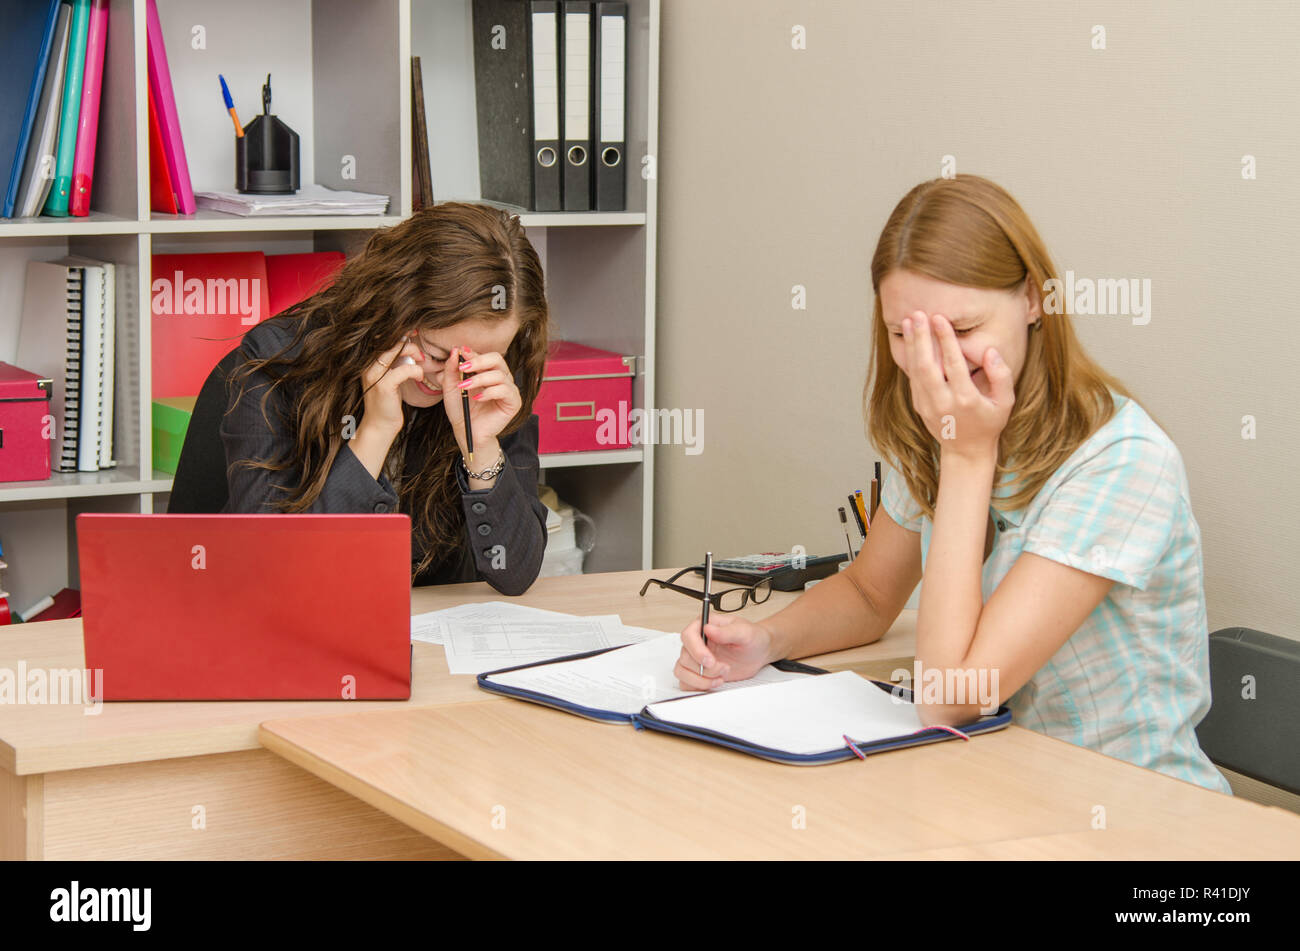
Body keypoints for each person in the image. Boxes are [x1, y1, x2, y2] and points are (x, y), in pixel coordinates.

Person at [674, 174, 1231, 794]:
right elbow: (867, 593)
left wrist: (967, 456)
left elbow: (949, 698)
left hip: (1133, 815)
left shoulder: (1122, 463)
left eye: (961, 332)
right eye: (903, 336)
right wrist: (765, 641)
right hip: (992, 790)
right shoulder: (944, 427)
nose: (932, 364)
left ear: (1033, 300)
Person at [220, 202, 551, 596]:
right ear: (393, 307)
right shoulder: (279, 358)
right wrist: (374, 432)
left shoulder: (492, 381)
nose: (449, 377)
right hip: (296, 629)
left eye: (472, 364)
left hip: (431, 633)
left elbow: (515, 573)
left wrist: (482, 449)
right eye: (439, 353)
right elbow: (270, 570)